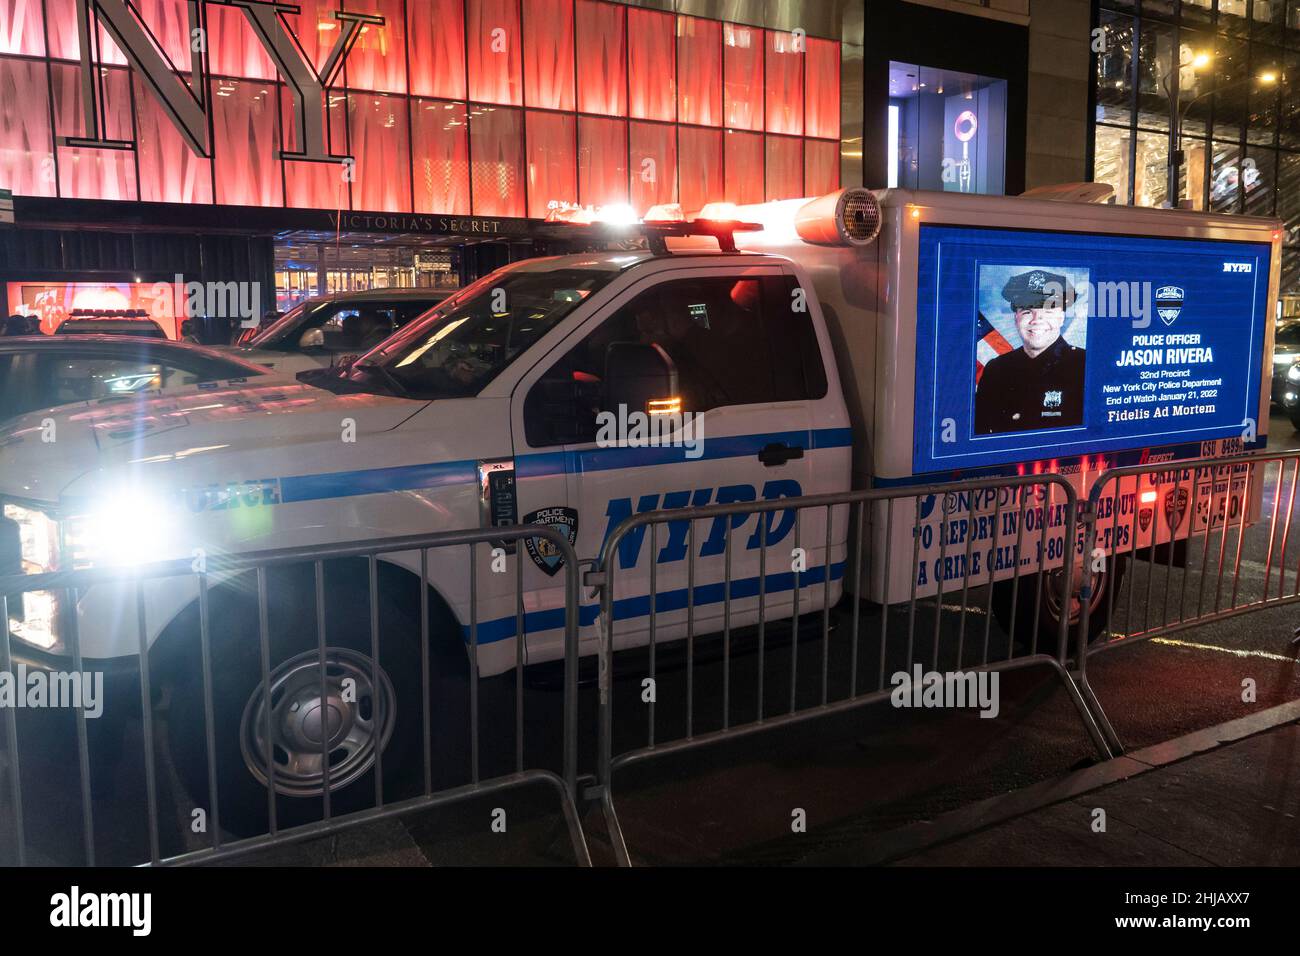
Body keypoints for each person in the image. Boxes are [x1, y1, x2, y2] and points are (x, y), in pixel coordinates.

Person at [974, 269, 1087, 435]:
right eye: (1027, 311)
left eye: (1047, 311)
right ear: (1016, 318)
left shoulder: (1085, 366)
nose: (1036, 320)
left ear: (1061, 317)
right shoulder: (996, 369)